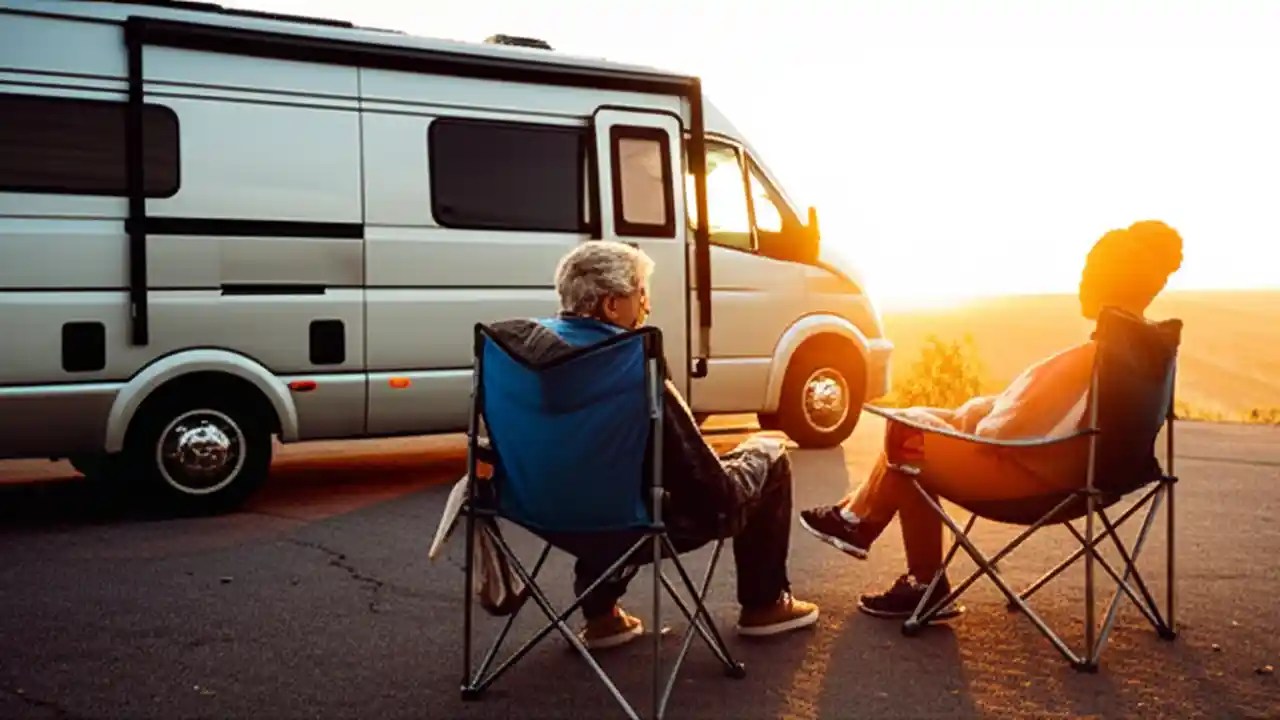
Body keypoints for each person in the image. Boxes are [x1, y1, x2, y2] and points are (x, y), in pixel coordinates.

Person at [798, 220, 1184, 619]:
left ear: (1109, 281)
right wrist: (969, 416)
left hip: (1038, 485)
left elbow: (1002, 431)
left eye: (1088, 273)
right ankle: (862, 522)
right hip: (1099, 481)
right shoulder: (1141, 356)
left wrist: (973, 418)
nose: (1081, 283)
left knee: (909, 434)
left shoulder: (1089, 361)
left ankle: (878, 538)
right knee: (920, 430)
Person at [483, 240, 819, 649]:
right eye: (642, 294)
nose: (648, 307)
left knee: (601, 471)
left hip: (539, 512)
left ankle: (602, 615)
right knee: (769, 453)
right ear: (611, 306)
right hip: (625, 524)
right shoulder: (627, 367)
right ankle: (765, 605)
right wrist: (754, 460)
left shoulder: (520, 355)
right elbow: (710, 491)